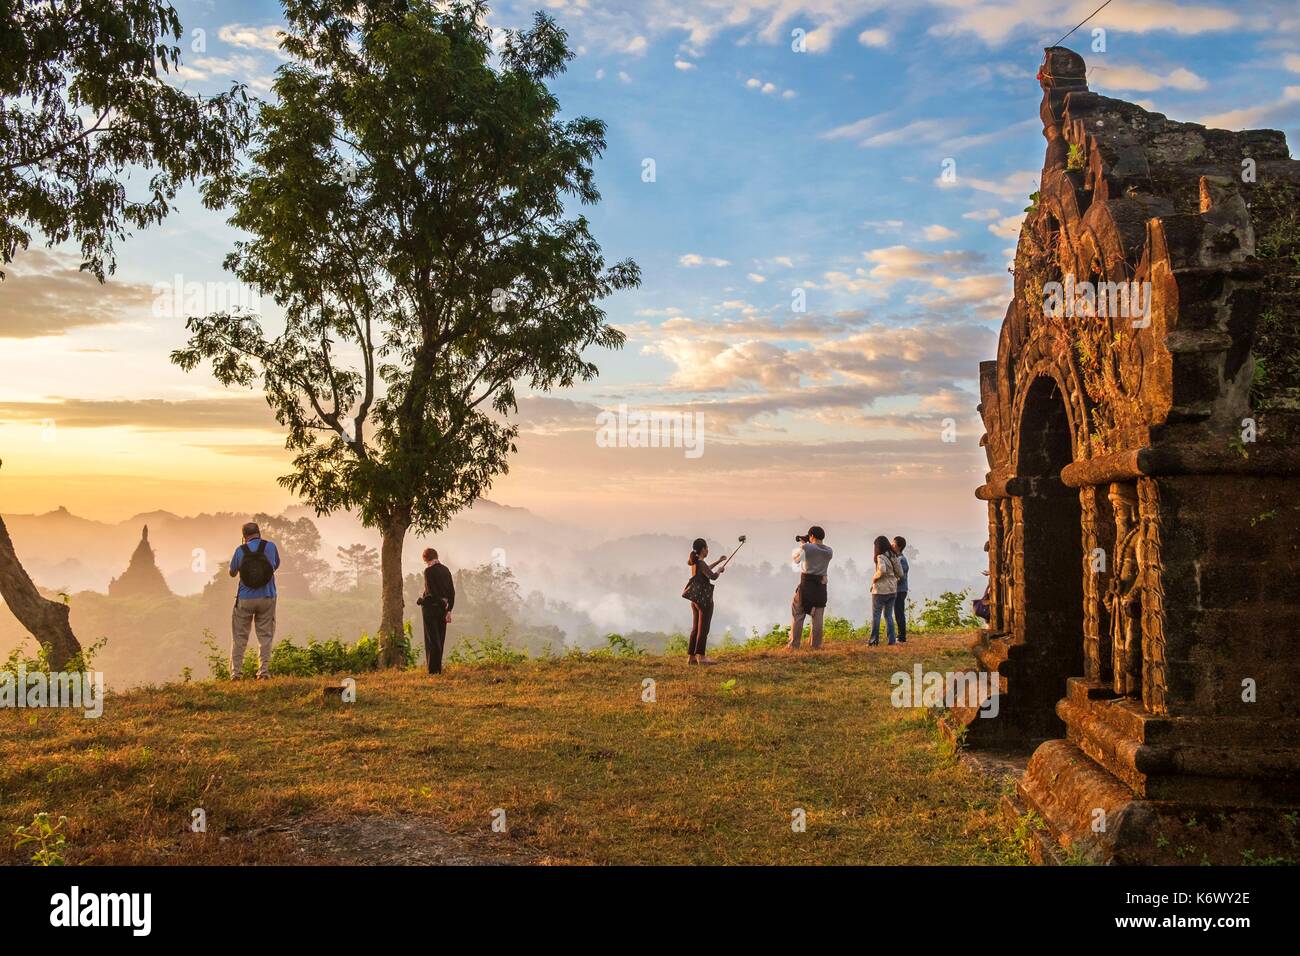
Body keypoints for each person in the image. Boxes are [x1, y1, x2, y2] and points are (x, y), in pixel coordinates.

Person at [228, 521, 280, 679]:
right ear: (259, 533)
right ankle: (263, 673)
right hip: (267, 596)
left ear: (244, 537)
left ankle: (236, 674)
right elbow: (275, 565)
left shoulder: (240, 550)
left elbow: (232, 572)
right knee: (265, 637)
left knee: (239, 637)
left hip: (245, 599)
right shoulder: (270, 546)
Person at [683, 538, 726, 665]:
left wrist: (718, 561)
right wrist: (720, 570)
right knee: (704, 629)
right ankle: (701, 657)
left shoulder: (696, 562)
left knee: (695, 629)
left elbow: (706, 569)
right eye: (707, 548)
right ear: (703, 549)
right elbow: (712, 576)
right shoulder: (700, 563)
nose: (708, 550)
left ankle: (691, 657)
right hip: (704, 601)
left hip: (695, 600)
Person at [789, 526, 833, 649]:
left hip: (806, 585)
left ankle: (794, 645)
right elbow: (816, 552)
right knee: (818, 618)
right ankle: (816, 646)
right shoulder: (829, 551)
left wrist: (802, 544)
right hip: (821, 587)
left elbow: (797, 560)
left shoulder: (807, 547)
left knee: (798, 614)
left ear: (811, 536)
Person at [418, 548, 455, 674]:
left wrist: (437, 602)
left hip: (431, 609)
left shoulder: (428, 571)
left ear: (426, 559)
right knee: (440, 637)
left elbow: (431, 592)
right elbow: (452, 592)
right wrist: (448, 609)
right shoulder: (446, 570)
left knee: (432, 638)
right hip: (443, 610)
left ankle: (433, 670)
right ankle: (437, 668)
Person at [868, 535, 903, 646]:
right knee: (888, 615)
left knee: (876, 616)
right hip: (892, 590)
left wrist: (874, 578)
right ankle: (892, 640)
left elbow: (882, 570)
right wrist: (893, 577)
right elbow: (901, 573)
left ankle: (874, 641)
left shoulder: (880, 557)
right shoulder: (894, 556)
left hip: (880, 591)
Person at [891, 536, 910, 644]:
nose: (892, 545)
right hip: (898, 590)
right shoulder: (897, 558)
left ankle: (902, 637)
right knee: (897, 612)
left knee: (899, 613)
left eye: (893, 544)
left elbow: (901, 576)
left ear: (899, 546)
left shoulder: (902, 560)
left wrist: (891, 579)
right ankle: (900, 636)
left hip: (900, 590)